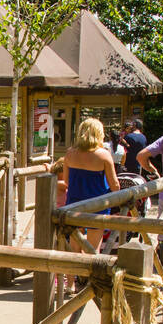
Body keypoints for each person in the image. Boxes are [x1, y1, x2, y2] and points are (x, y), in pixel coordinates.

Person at [59, 117, 119, 288]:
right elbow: (115, 185)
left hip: (75, 204)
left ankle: (70, 284)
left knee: (74, 247)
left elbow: (68, 181)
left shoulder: (70, 153)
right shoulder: (103, 155)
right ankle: (90, 286)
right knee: (93, 249)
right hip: (97, 205)